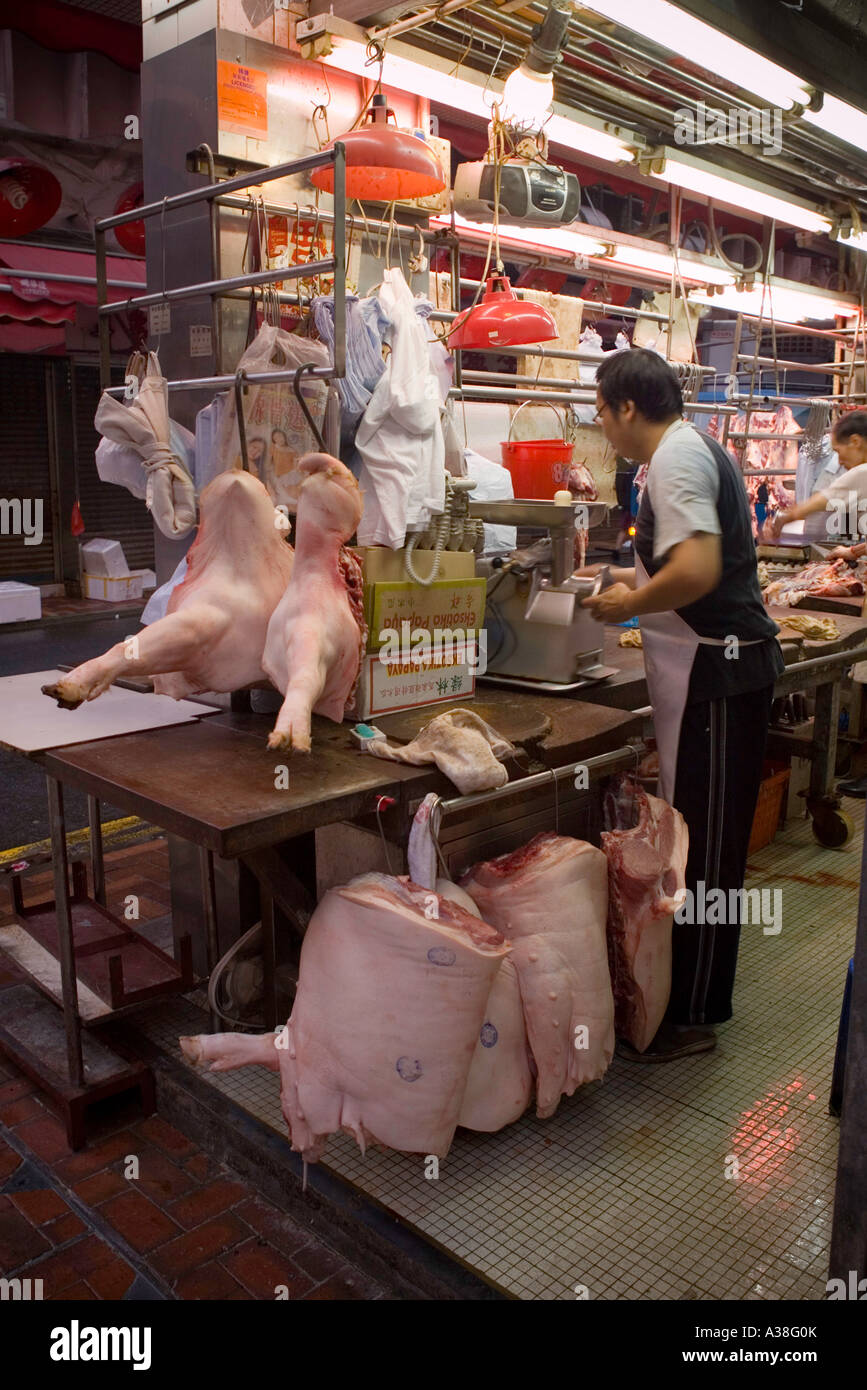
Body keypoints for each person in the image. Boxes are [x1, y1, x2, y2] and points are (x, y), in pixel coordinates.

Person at [581, 349, 784, 1060]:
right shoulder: (685, 450)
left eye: (603, 412)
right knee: (696, 842)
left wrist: (627, 607)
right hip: (707, 674)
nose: (602, 425)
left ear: (628, 408)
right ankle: (682, 995)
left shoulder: (675, 460)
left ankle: (689, 1013)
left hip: (720, 676)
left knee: (704, 851)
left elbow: (696, 570)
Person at [770, 410, 867, 542]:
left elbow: (823, 500)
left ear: (855, 441)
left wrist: (785, 518)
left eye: (838, 451)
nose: (839, 461)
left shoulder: (862, 473)